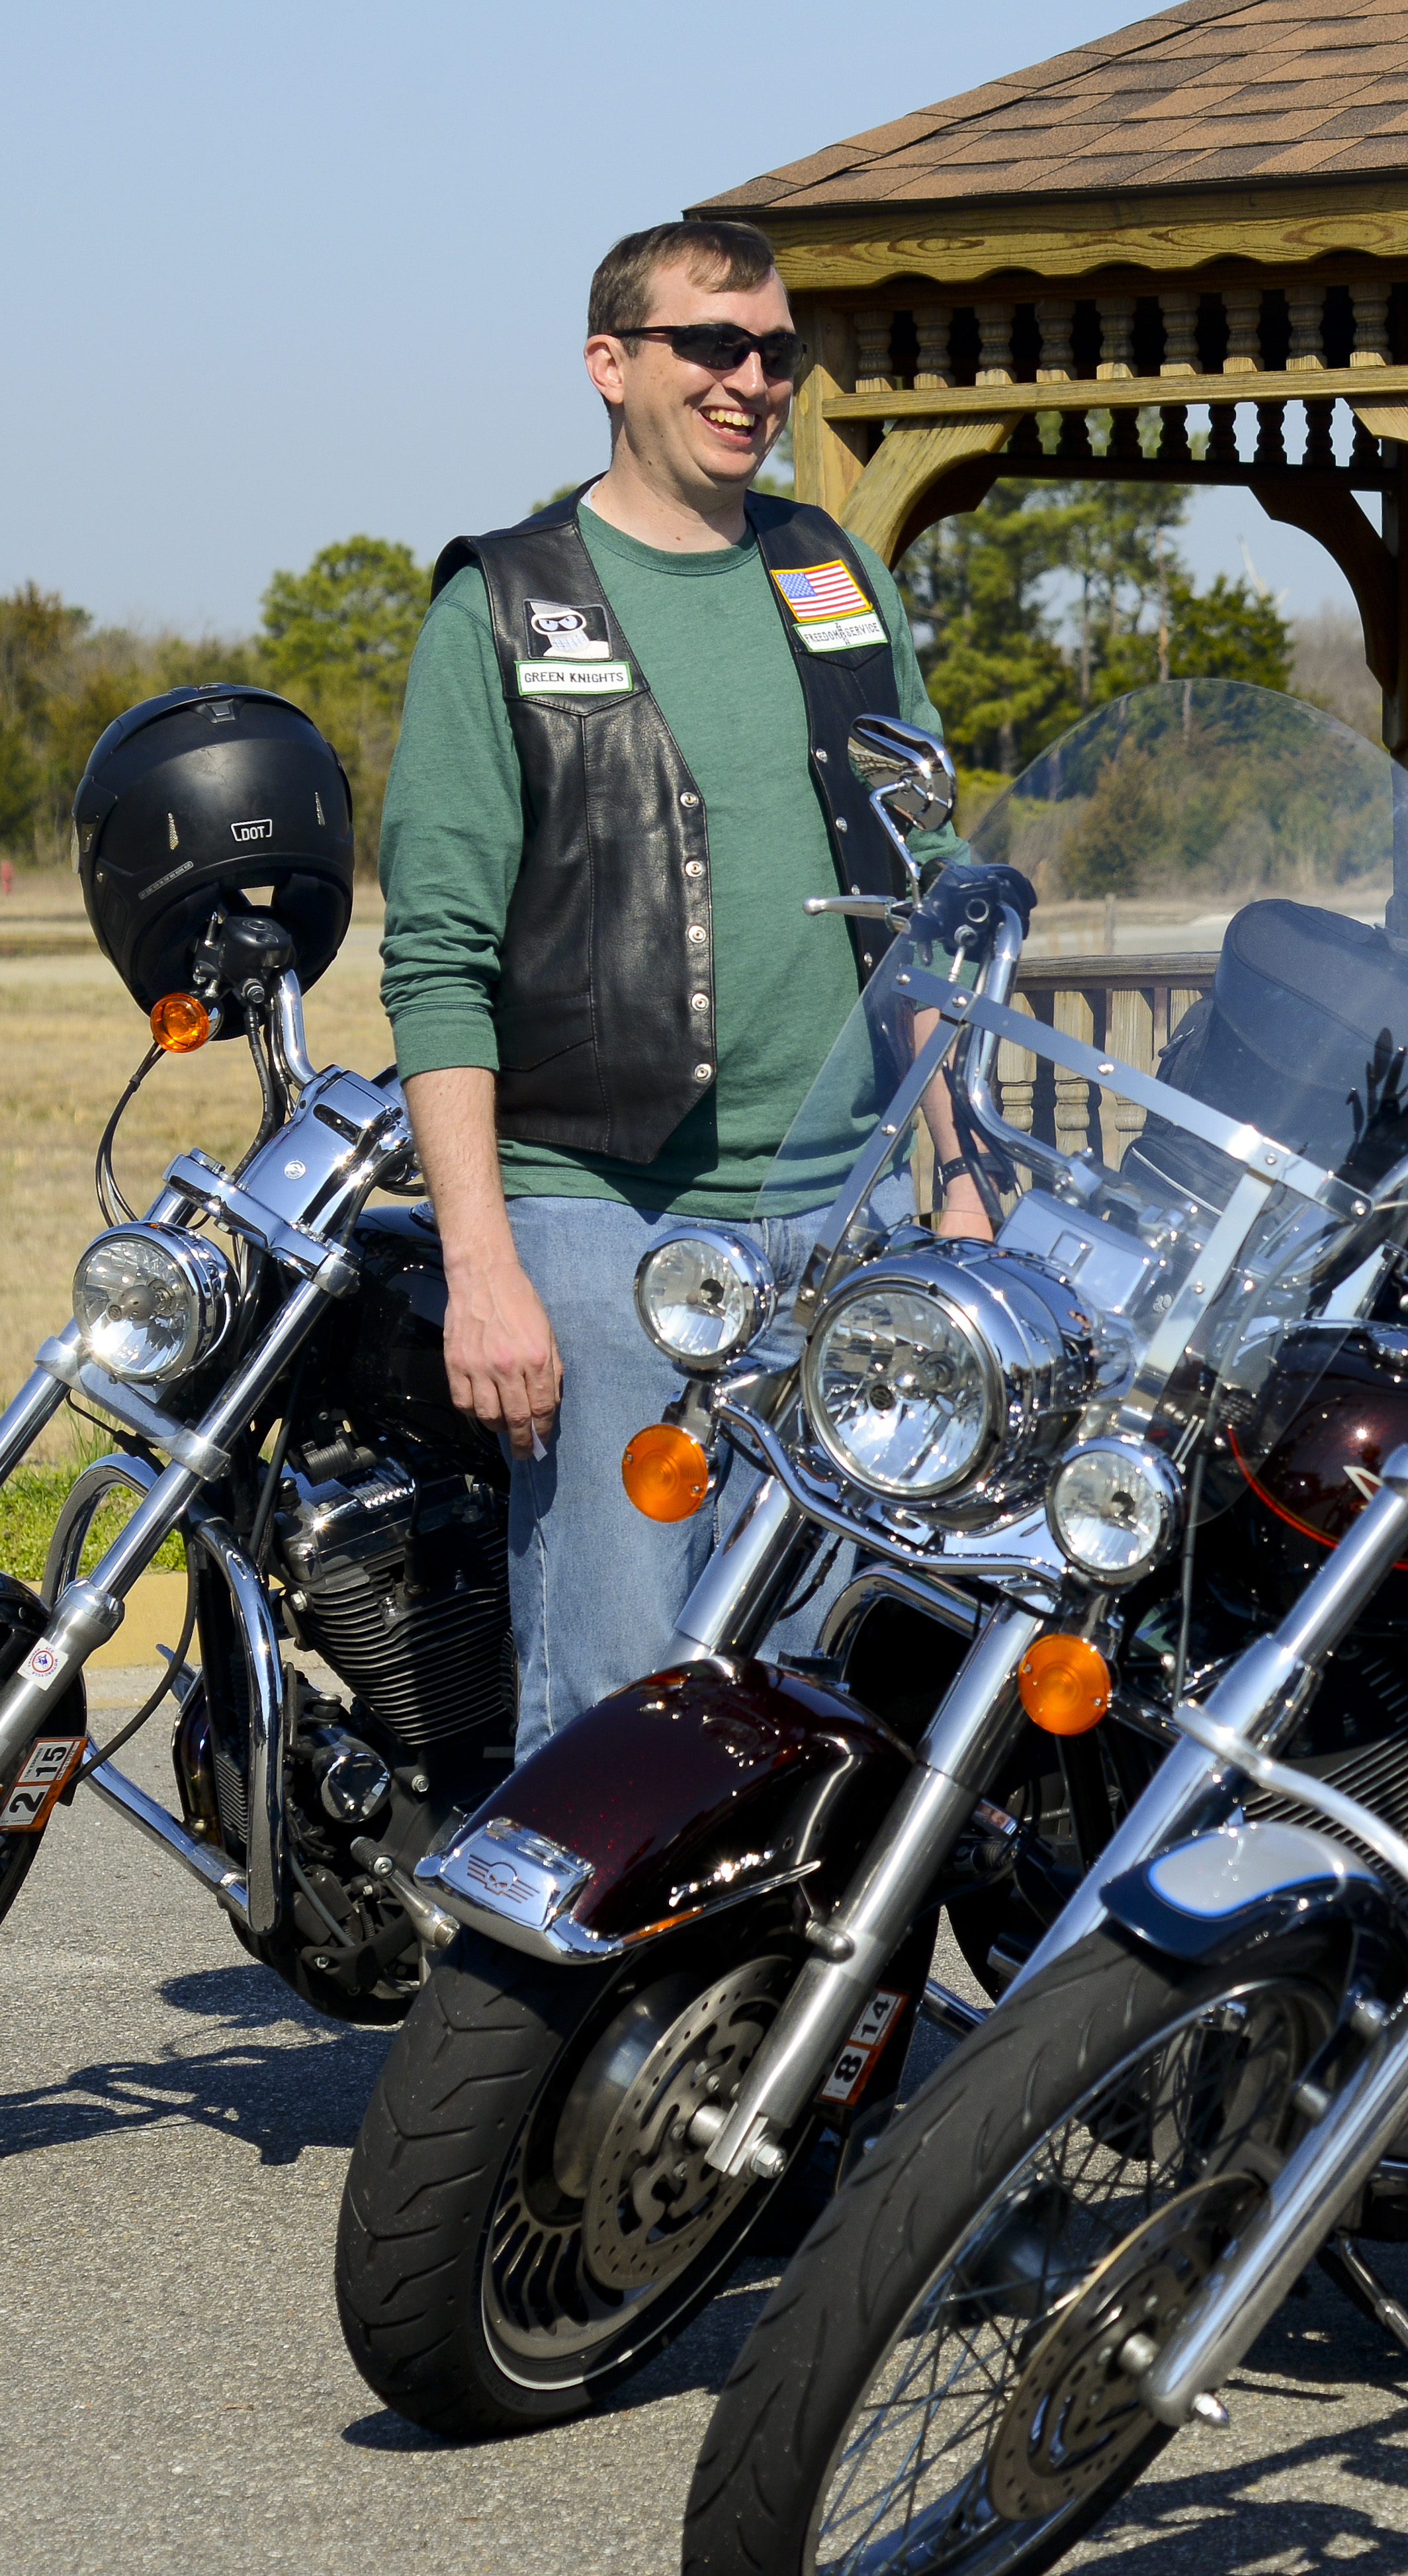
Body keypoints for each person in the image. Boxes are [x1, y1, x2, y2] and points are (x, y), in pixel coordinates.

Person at [379, 218, 966, 1759]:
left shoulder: (832, 575)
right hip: (606, 1223)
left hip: (851, 1220)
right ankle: (563, 2008)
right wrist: (485, 1267)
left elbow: (925, 893)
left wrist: (958, 1178)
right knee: (621, 1708)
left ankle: (772, 2008)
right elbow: (437, 961)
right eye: (713, 342)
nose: (752, 378)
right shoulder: (501, 605)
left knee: (823, 1691)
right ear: (612, 364)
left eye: (777, 350)